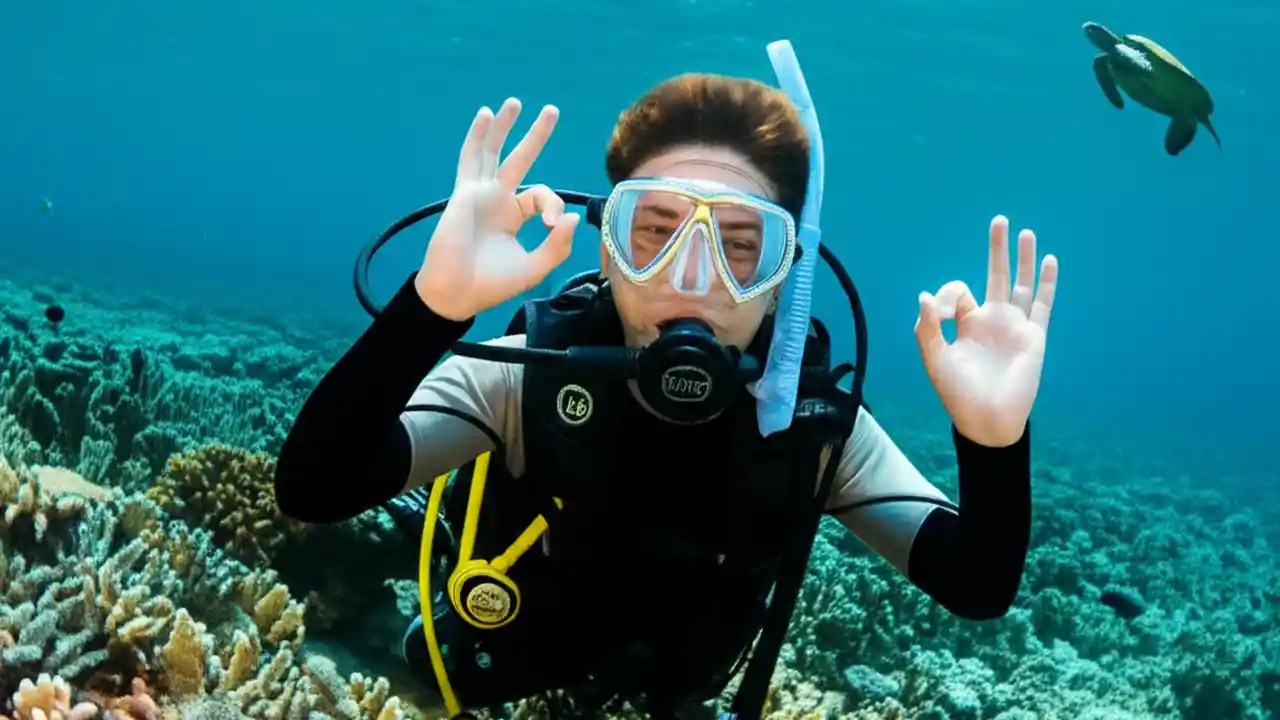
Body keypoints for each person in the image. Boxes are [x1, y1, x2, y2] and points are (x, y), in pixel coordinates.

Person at [274, 40, 1059, 720]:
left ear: (788, 276)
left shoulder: (813, 426)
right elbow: (316, 485)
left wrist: (992, 440)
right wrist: (433, 307)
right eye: (652, 232)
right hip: (511, 650)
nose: (691, 279)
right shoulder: (529, 374)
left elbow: (976, 582)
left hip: (682, 686)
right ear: (608, 251)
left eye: (740, 246)